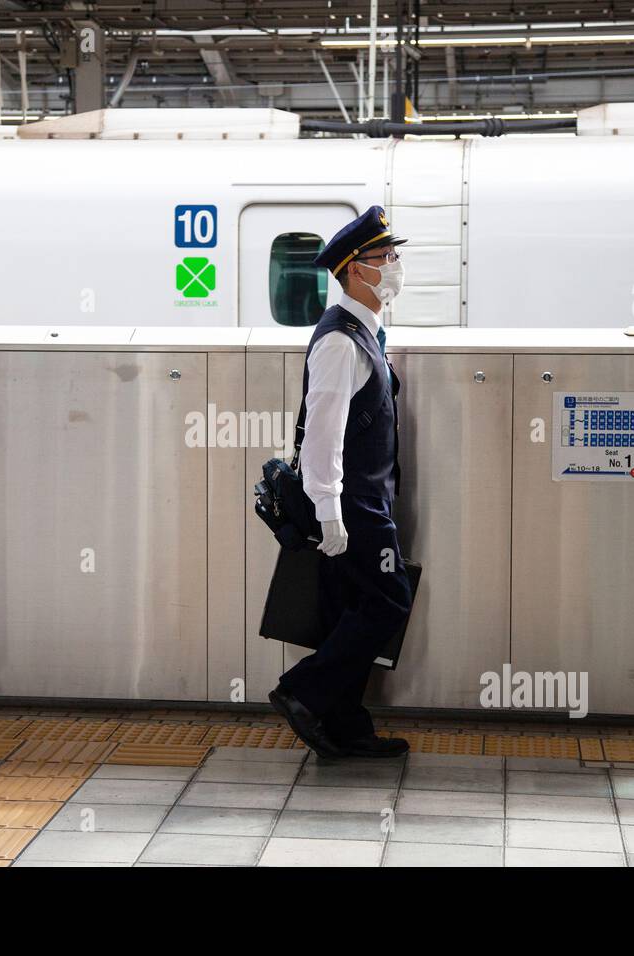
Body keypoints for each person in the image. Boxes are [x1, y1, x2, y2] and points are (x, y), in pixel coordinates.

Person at [267, 205, 414, 759]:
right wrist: (328, 510)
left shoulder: (366, 332)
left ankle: (346, 725)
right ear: (356, 270)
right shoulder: (339, 342)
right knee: (388, 600)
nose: (396, 266)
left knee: (352, 607)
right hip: (354, 504)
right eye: (386, 258)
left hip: (367, 497)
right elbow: (321, 433)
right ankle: (300, 691)